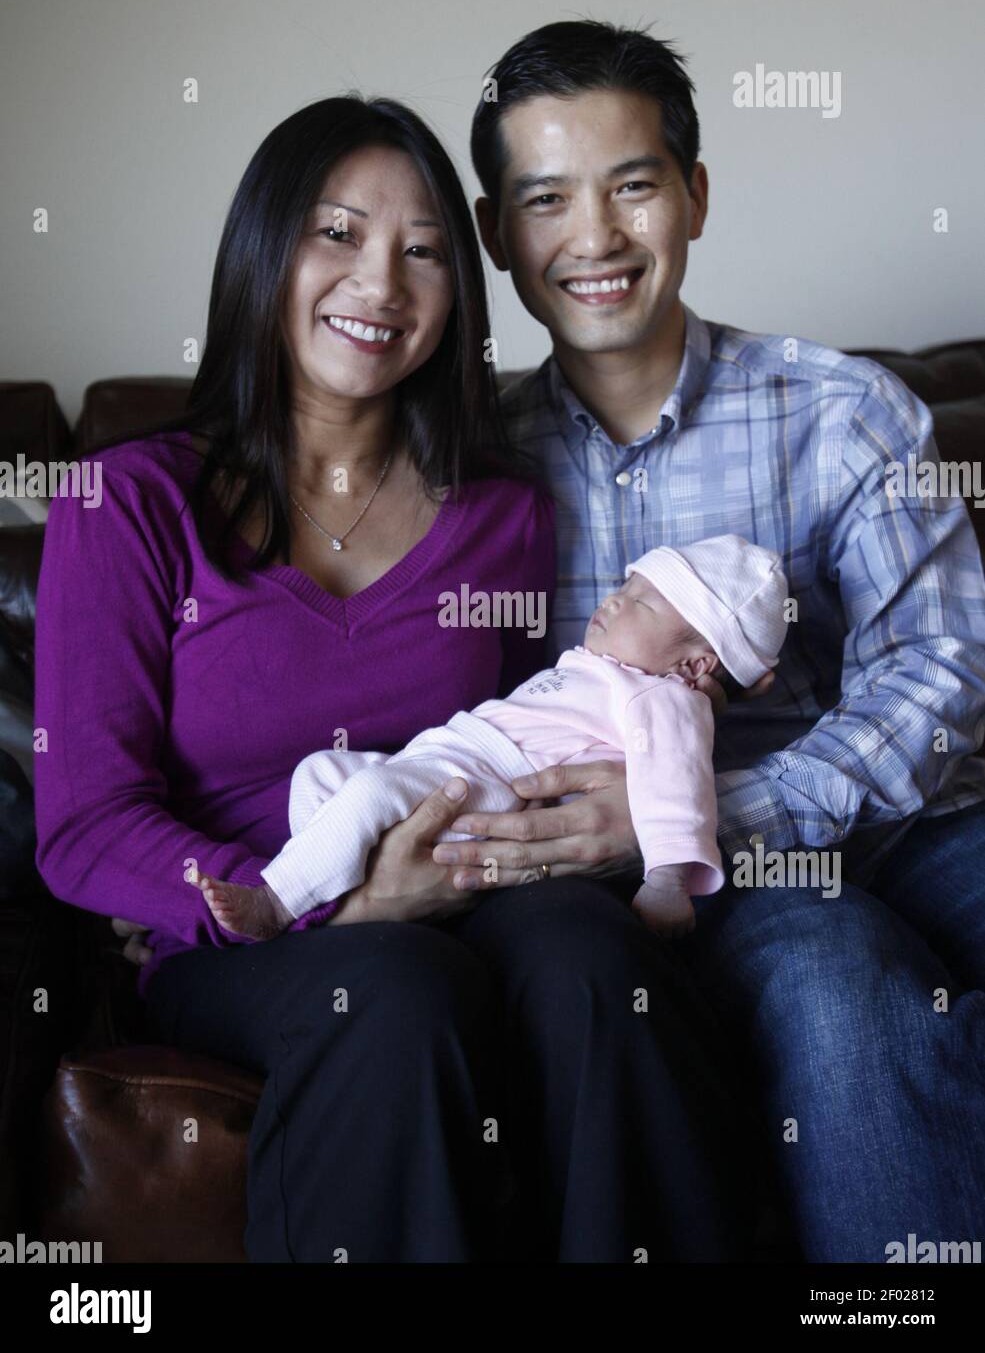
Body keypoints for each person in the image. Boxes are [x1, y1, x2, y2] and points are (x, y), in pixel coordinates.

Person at [34, 94, 751, 1262]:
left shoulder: (502, 513)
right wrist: (318, 897)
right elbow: (83, 823)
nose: (380, 282)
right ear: (263, 248)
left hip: (482, 887)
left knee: (590, 962)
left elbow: (544, 722)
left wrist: (634, 810)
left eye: (422, 250)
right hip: (258, 937)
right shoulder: (125, 501)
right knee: (386, 990)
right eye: (336, 234)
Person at [407, 19, 985, 1262]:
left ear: (695, 195)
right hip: (715, 884)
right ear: (500, 235)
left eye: (633, 185)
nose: (596, 238)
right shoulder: (471, 470)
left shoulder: (840, 410)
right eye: (546, 200)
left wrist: (731, 804)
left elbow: (937, 676)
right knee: (842, 1002)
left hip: (919, 822)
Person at [197, 533, 789, 941]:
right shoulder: (609, 669)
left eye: (644, 603)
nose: (614, 599)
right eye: (627, 584)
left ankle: (277, 901)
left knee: (371, 799)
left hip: (491, 783)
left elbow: (675, 784)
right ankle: (331, 881)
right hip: (452, 753)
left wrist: (667, 879)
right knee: (320, 774)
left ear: (694, 666)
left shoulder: (667, 700)